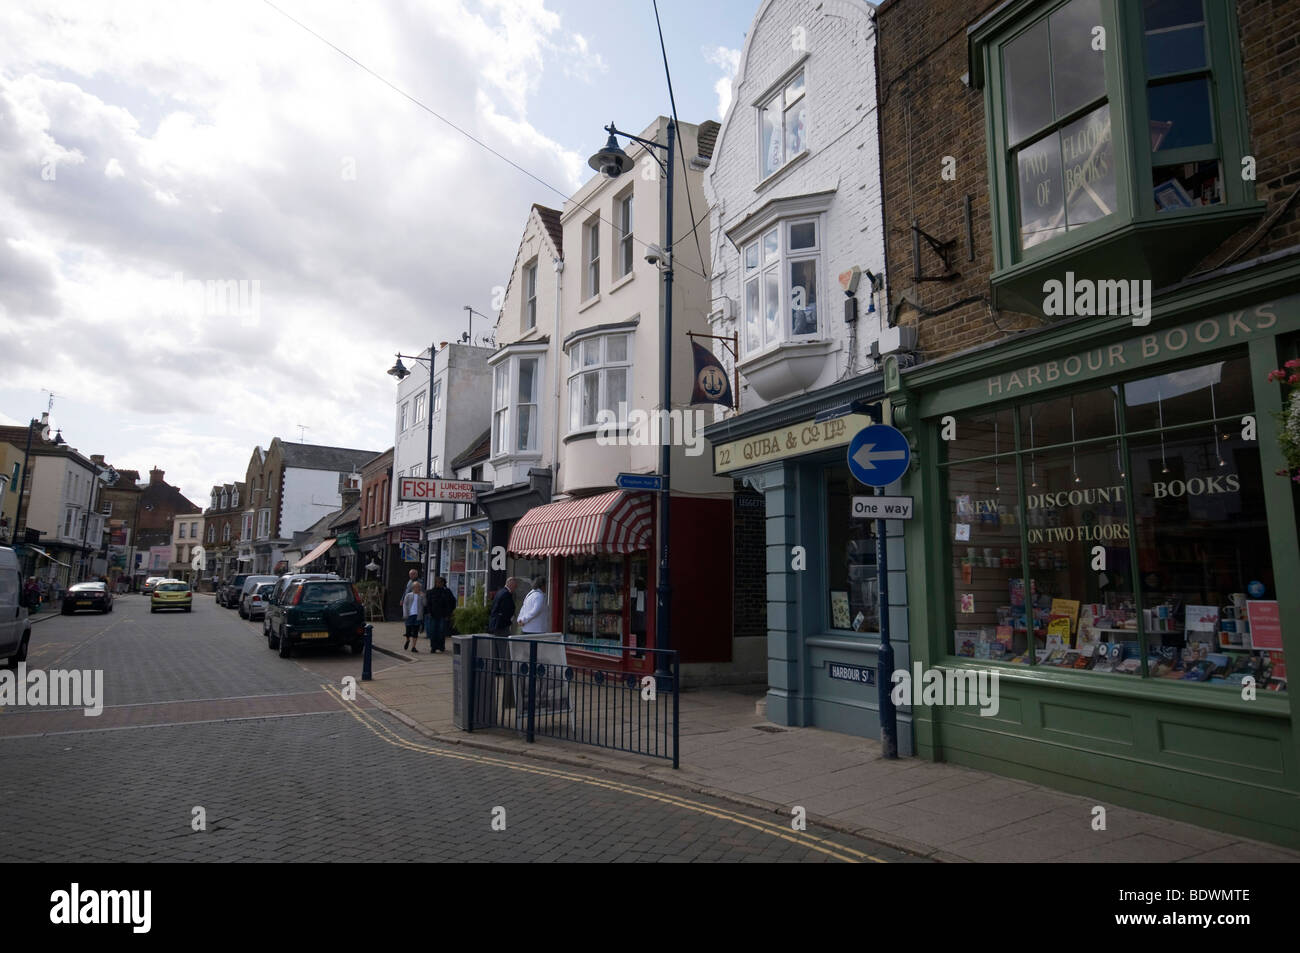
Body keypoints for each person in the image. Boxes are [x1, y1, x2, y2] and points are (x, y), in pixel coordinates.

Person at [426, 576, 456, 653]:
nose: (439, 584)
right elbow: (428, 604)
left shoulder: (447, 592)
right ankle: (433, 647)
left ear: (443, 583)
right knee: (433, 631)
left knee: (441, 631)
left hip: (443, 615)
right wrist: (429, 612)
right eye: (437, 582)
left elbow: (453, 602)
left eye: (440, 582)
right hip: (433, 615)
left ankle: (441, 646)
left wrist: (450, 612)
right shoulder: (431, 592)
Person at [402, 581, 425, 652]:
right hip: (409, 615)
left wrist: (423, 596)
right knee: (408, 631)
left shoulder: (421, 595)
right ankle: (408, 640)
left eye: (418, 587)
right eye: (415, 587)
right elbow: (405, 605)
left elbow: (425, 604)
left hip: (418, 616)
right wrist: (405, 614)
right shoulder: (408, 595)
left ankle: (413, 647)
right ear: (413, 588)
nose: (417, 588)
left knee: (415, 632)